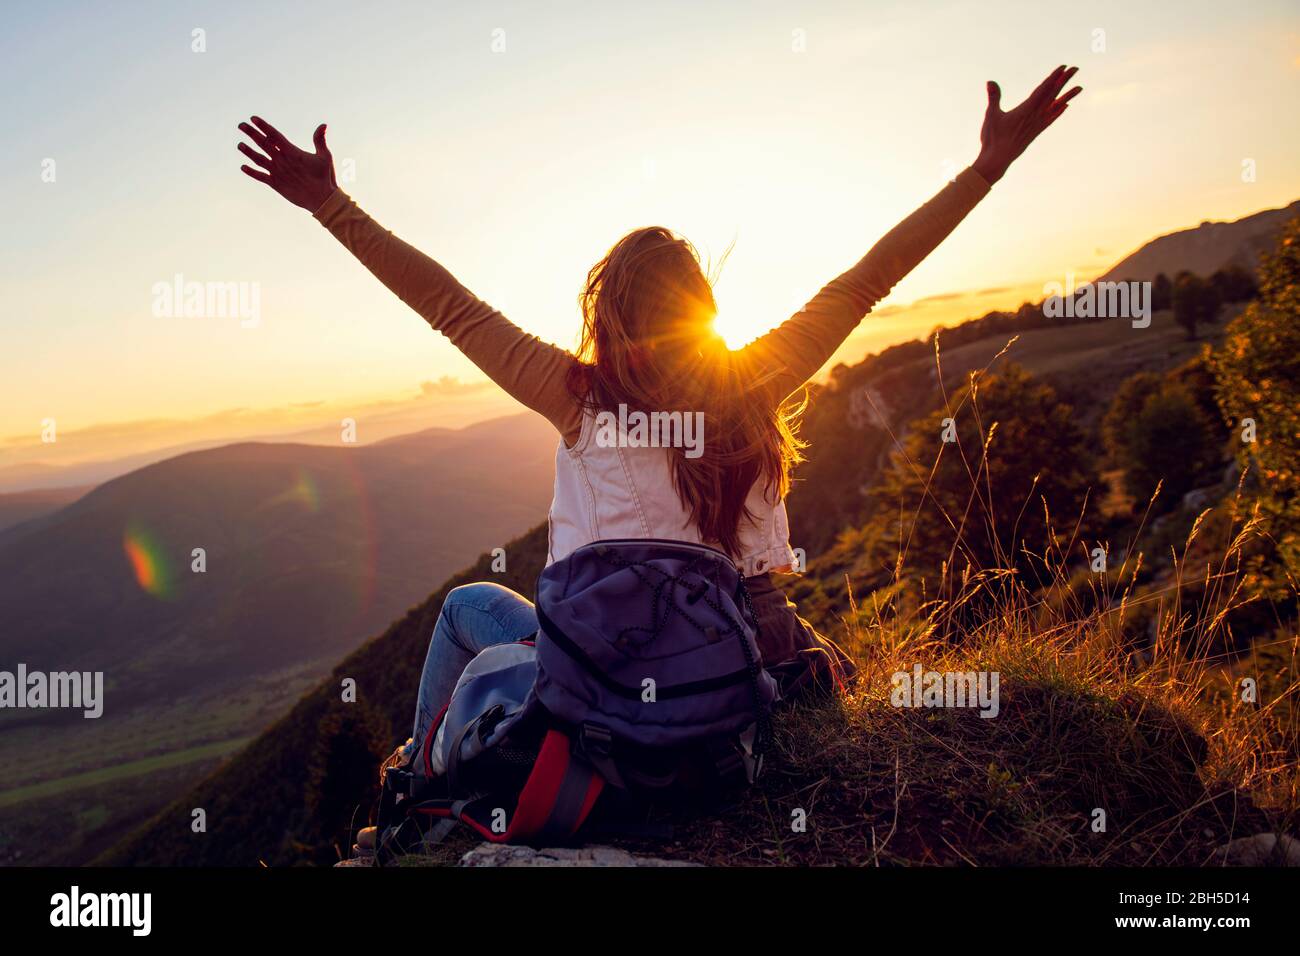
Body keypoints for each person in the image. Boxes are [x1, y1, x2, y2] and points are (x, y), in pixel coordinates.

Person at [237, 65, 1082, 760]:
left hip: (600, 684)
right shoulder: (754, 383)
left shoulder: (574, 399)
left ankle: (427, 778)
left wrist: (330, 207)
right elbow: (868, 281)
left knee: (465, 609)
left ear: (609, 317)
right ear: (701, 307)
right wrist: (985, 170)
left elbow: (449, 307)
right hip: (727, 674)